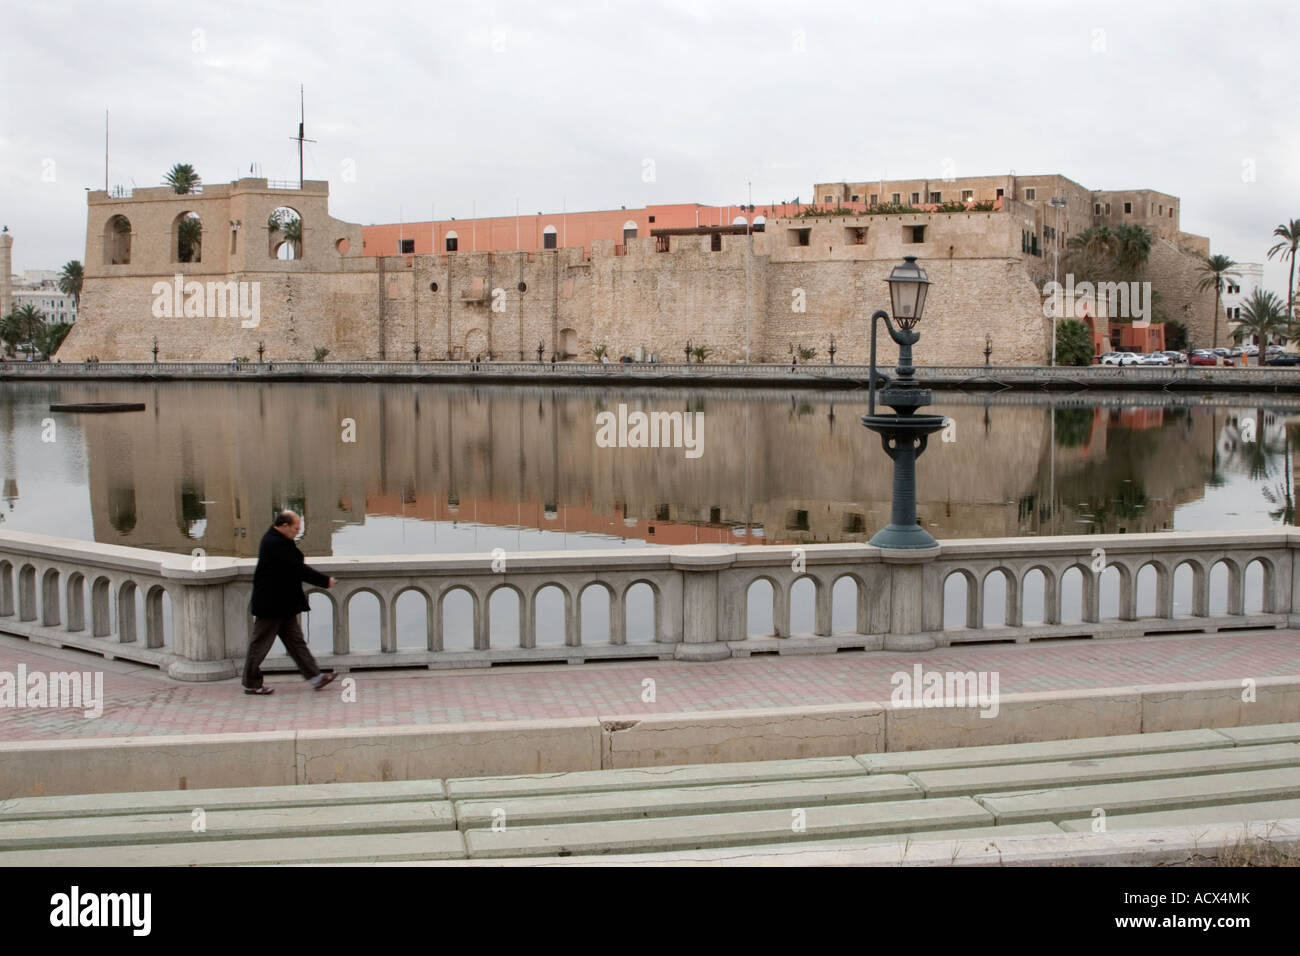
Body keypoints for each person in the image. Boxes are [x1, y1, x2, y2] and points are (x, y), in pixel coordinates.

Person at [242, 510, 337, 695]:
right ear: (284, 525)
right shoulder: (274, 543)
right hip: (271, 605)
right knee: (260, 644)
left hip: (283, 604)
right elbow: (297, 568)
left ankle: (316, 677)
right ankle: (251, 683)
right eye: (295, 528)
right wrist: (325, 581)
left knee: (296, 642)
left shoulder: (280, 540)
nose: (297, 531)